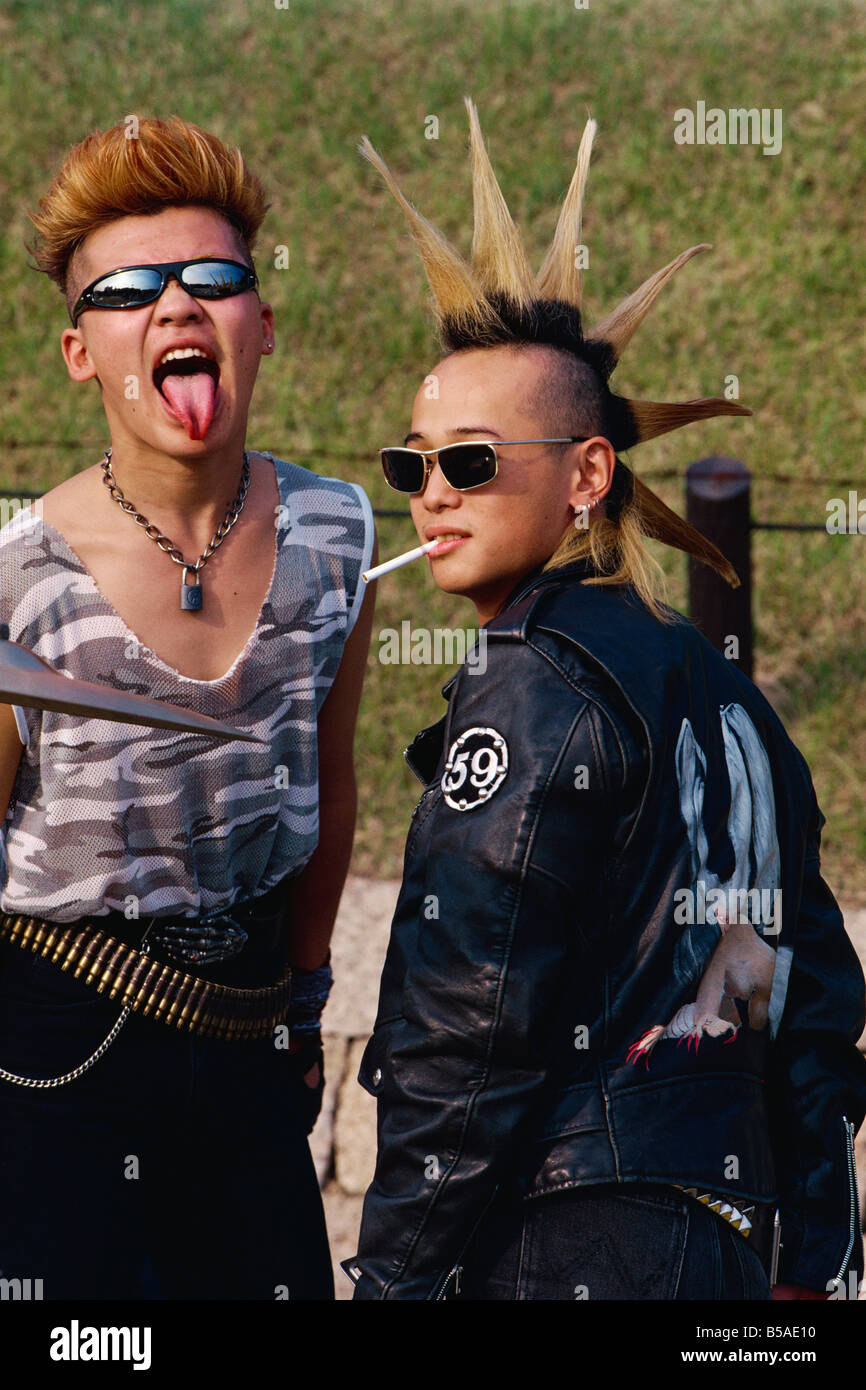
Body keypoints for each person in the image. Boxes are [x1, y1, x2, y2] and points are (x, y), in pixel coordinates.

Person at [343, 100, 866, 1301]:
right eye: (409, 464)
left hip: (561, 1242)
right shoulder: (731, 701)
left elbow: (464, 1035)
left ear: (586, 473)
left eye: (470, 460)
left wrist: (390, 1288)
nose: (431, 493)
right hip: (726, 1254)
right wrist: (811, 1257)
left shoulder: (532, 682)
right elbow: (813, 1001)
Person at [0, 115, 376, 1299]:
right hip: (53, 1061)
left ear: (260, 324)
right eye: (126, 291)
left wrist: (306, 1005)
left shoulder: (337, 535)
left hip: (248, 1041)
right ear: (79, 350)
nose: (175, 307)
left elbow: (331, 780)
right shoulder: (18, 580)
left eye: (213, 279)